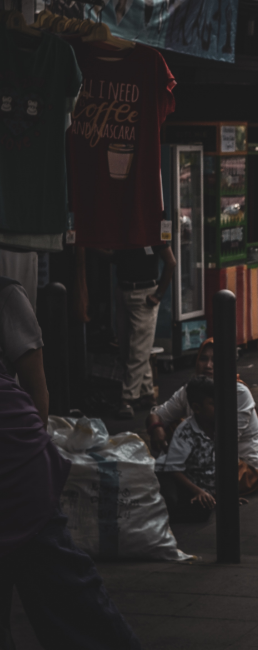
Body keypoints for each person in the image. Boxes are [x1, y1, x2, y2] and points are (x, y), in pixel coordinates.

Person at [0, 276, 142, 650]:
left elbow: (37, 390)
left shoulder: (5, 295)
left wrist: (36, 451)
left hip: (14, 464)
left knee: (69, 598)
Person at [147, 338, 258, 496]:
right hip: (207, 457)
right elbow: (156, 415)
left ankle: (179, 480)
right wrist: (157, 429)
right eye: (203, 359)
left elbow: (224, 444)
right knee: (171, 426)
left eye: (215, 360)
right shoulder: (191, 390)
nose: (208, 365)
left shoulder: (238, 393)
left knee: (183, 437)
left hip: (242, 467)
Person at [112, 241, 177, 418]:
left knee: (138, 350)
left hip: (144, 293)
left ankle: (127, 398)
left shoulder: (151, 231)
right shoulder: (126, 232)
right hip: (124, 290)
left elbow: (171, 262)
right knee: (131, 348)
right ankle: (147, 393)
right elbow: (115, 256)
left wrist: (158, 295)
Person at [155, 375, 220, 522]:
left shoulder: (219, 425)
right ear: (197, 408)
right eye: (213, 404)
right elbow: (173, 469)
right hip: (179, 481)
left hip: (203, 483)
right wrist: (197, 491)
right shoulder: (186, 432)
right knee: (197, 510)